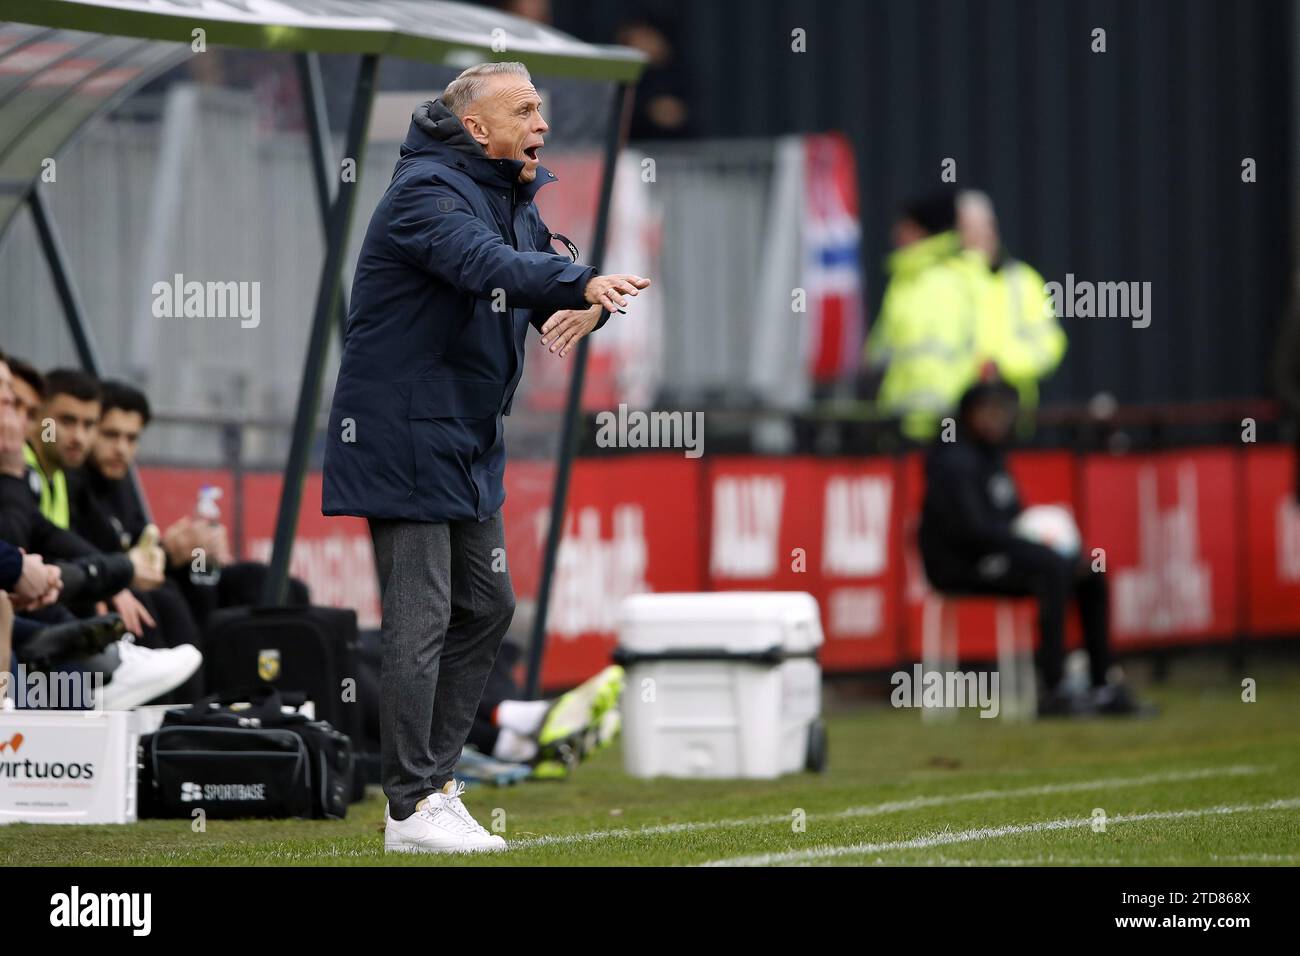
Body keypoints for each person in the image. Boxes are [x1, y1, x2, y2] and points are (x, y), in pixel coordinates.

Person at [322, 61, 650, 854]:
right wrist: (580, 281)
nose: (542, 123)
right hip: (403, 432)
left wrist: (585, 308)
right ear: (477, 128)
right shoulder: (426, 192)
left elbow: (540, 280)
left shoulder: (508, 194)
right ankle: (410, 805)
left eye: (542, 108)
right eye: (527, 110)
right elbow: (486, 265)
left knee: (489, 605)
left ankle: (432, 786)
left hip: (464, 435)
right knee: (424, 611)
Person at [918, 379, 1144, 716]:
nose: (998, 420)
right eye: (990, 412)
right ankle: (1055, 689)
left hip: (996, 553)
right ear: (968, 414)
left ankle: (1102, 685)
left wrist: (1044, 536)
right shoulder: (954, 460)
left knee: (1089, 572)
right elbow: (973, 530)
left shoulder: (992, 456)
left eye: (1004, 413)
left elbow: (1010, 516)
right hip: (960, 565)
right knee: (1052, 567)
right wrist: (1033, 544)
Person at [866, 192, 987, 441]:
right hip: (902, 424)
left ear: (921, 231)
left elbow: (937, 363)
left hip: (940, 426)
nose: (896, 235)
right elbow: (880, 352)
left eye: (904, 227)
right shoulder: (905, 282)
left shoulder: (947, 281)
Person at [957, 191, 1066, 428]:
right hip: (955, 416)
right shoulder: (945, 281)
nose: (979, 234)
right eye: (969, 227)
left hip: (1012, 415)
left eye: (984, 225)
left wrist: (1001, 365)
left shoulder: (1023, 281)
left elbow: (1049, 346)